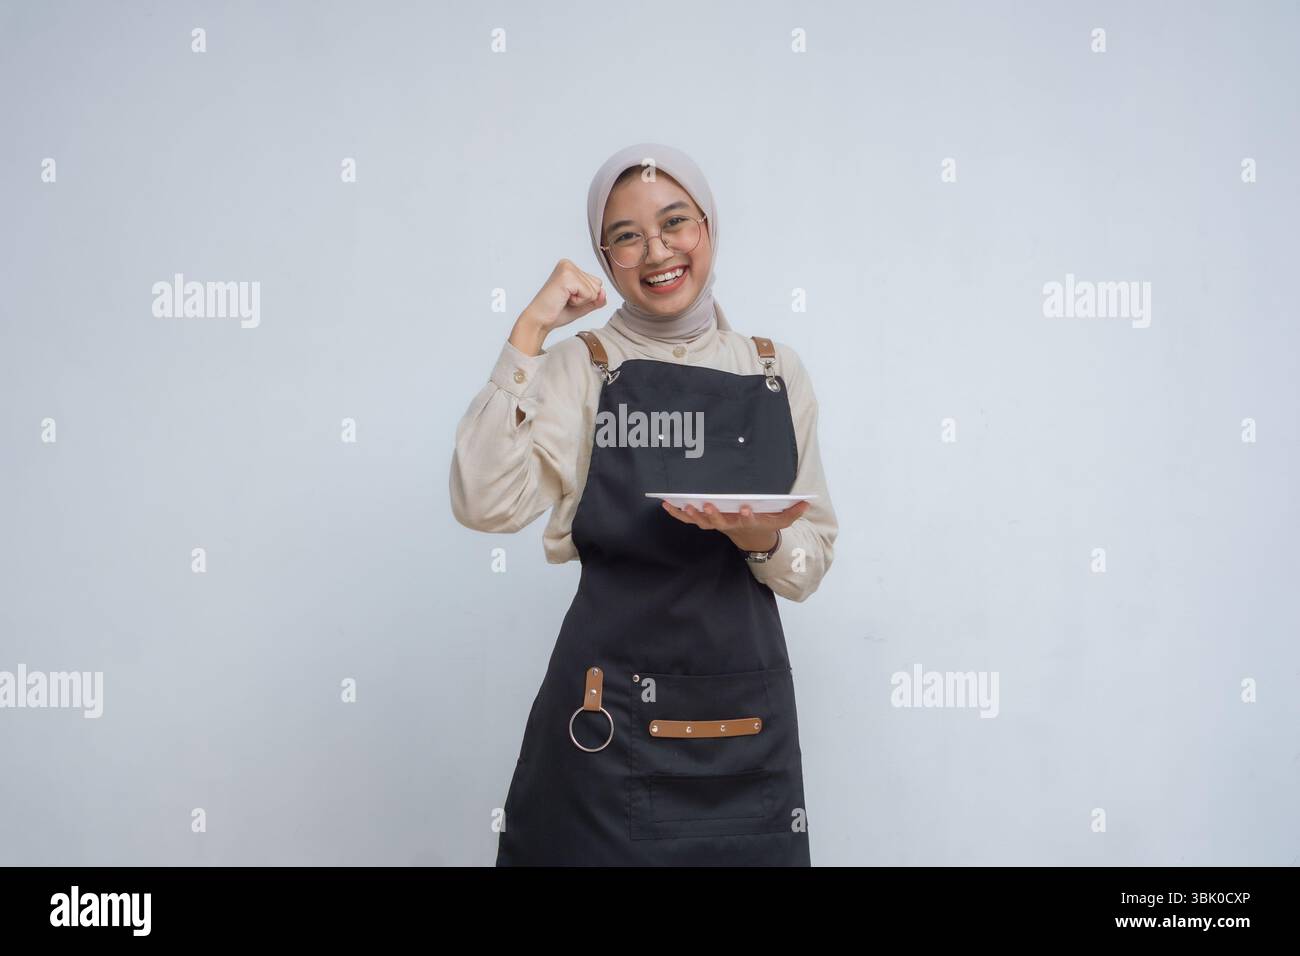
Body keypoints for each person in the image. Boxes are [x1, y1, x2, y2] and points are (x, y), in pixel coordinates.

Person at [450, 142, 837, 865]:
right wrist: (530, 330)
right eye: (625, 236)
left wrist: (760, 540)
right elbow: (482, 502)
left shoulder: (774, 370)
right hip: (605, 721)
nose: (657, 251)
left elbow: (809, 565)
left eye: (675, 223)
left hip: (745, 728)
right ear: (604, 256)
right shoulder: (580, 366)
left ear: (709, 226)